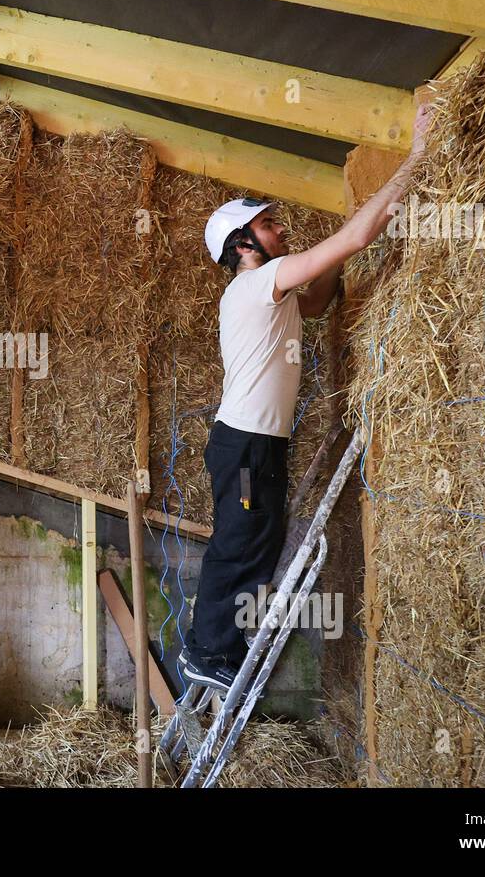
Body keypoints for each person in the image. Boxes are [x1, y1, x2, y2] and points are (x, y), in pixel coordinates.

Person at [180, 102, 433, 689]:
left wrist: (348, 255)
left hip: (256, 444)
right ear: (244, 243)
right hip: (245, 443)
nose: (282, 229)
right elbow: (349, 239)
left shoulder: (273, 293)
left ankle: (217, 644)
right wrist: (414, 159)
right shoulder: (257, 282)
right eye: (269, 226)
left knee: (256, 542)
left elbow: (318, 301)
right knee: (239, 545)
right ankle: (205, 650)